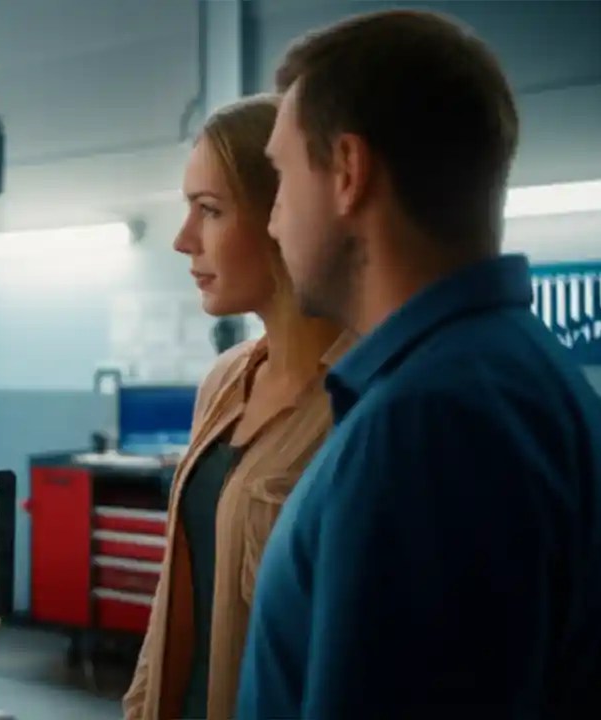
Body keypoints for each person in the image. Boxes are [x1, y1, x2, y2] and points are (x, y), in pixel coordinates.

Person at [237, 9, 601, 719]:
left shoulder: (427, 423)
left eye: (282, 176)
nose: (272, 219)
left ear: (349, 173)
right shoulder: (516, 369)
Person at [122, 95, 352, 720]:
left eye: (211, 211)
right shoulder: (226, 381)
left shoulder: (362, 404)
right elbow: (179, 601)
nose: (182, 239)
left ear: (285, 214)